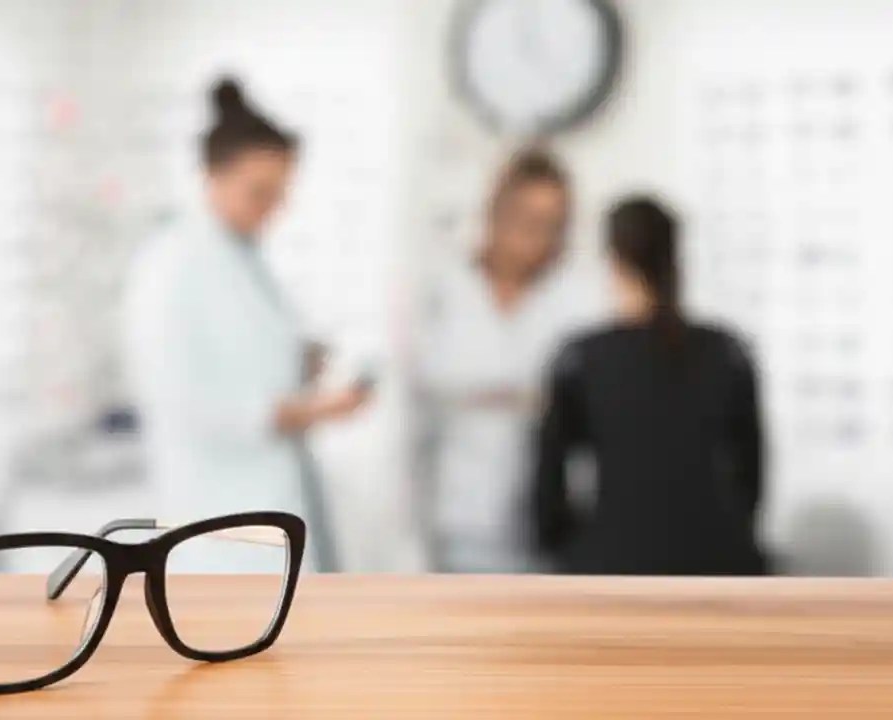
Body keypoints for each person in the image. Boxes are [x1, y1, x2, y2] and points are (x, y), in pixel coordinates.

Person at [122, 78, 370, 570]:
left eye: (281, 193)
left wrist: (301, 359)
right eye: (260, 192)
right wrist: (315, 411)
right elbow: (190, 401)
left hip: (269, 499)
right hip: (219, 520)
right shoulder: (173, 265)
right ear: (212, 176)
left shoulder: (241, 257)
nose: (274, 209)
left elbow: (247, 354)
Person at [531, 196, 768, 575]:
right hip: (718, 564)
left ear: (612, 260)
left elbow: (547, 493)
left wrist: (575, 550)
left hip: (612, 565)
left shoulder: (580, 359)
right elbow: (752, 480)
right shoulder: (728, 352)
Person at [411, 148, 589, 572]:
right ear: (495, 212)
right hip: (459, 519)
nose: (537, 237)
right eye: (527, 220)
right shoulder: (445, 289)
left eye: (552, 225)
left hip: (551, 524)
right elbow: (419, 401)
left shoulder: (580, 297)